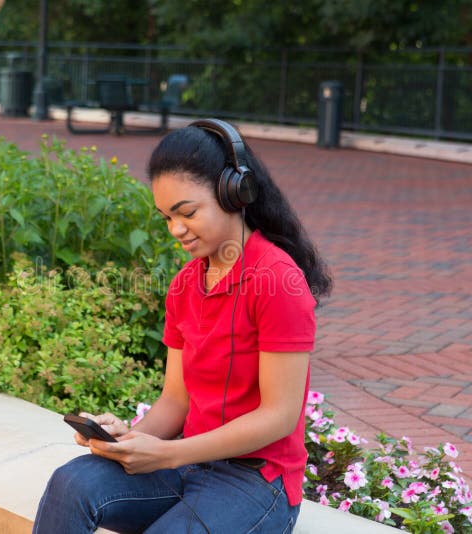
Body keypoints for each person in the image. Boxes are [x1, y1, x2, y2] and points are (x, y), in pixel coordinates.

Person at [33, 118, 332, 533]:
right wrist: (128, 440)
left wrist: (170, 454)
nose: (176, 229)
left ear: (234, 192)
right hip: (190, 467)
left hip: (257, 483)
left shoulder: (277, 281)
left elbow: (279, 417)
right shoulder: (185, 286)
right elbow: (176, 401)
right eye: (166, 217)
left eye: (187, 212)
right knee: (72, 482)